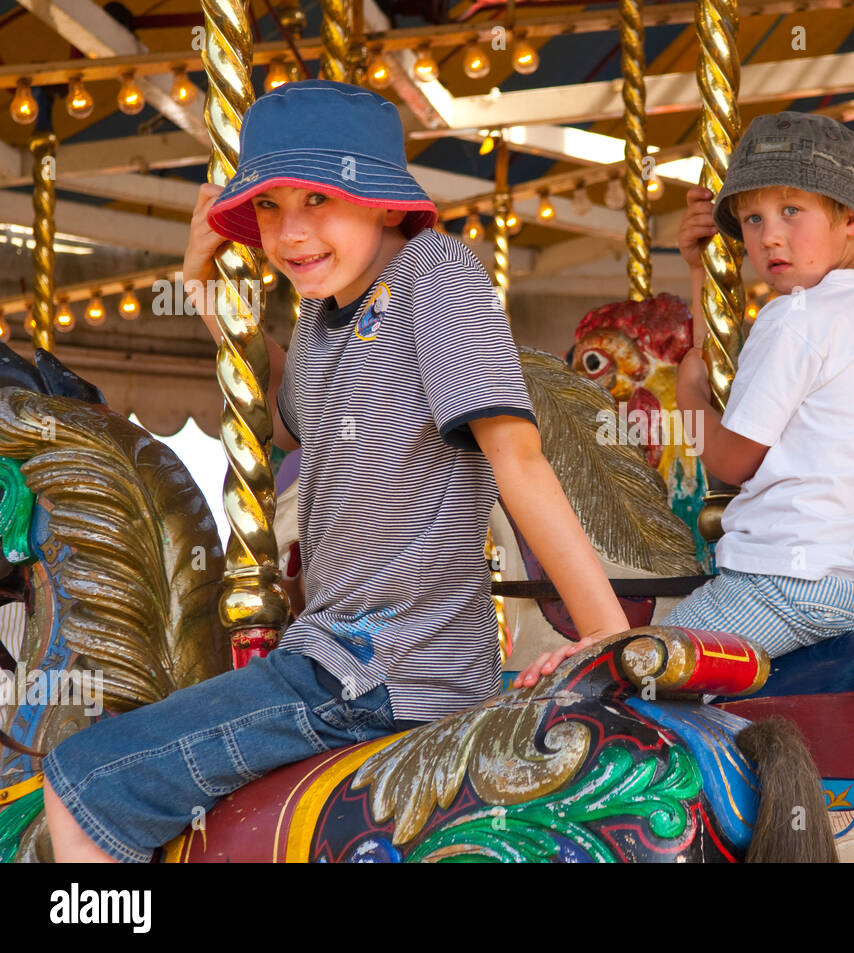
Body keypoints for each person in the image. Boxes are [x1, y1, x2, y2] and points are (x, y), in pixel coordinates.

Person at [39, 80, 628, 862]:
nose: (290, 233)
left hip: (378, 667)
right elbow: (284, 419)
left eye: (317, 199)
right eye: (271, 208)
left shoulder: (437, 273)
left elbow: (515, 452)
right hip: (334, 658)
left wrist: (606, 633)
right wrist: (207, 292)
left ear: (385, 202)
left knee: (82, 777)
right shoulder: (322, 318)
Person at [664, 111, 854, 658]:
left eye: (790, 211)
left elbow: (732, 461)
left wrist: (686, 400)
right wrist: (700, 272)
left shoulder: (794, 316)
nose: (770, 236)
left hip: (788, 585)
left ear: (852, 218)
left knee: (622, 675)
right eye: (752, 220)